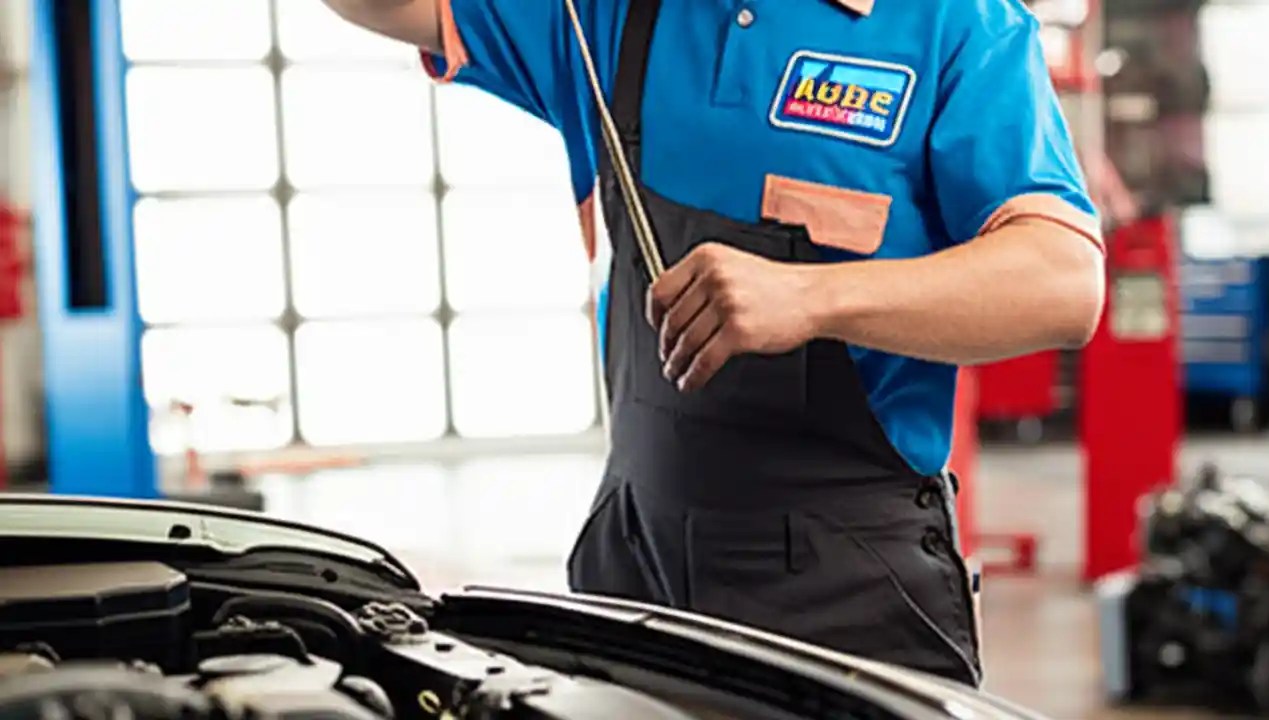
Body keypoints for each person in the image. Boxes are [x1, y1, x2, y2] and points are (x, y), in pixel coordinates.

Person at [325, 0, 1105, 686]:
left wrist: (811, 296)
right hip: (634, 573)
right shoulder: (604, 15)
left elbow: (1064, 283)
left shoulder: (957, 23)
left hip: (849, 594)